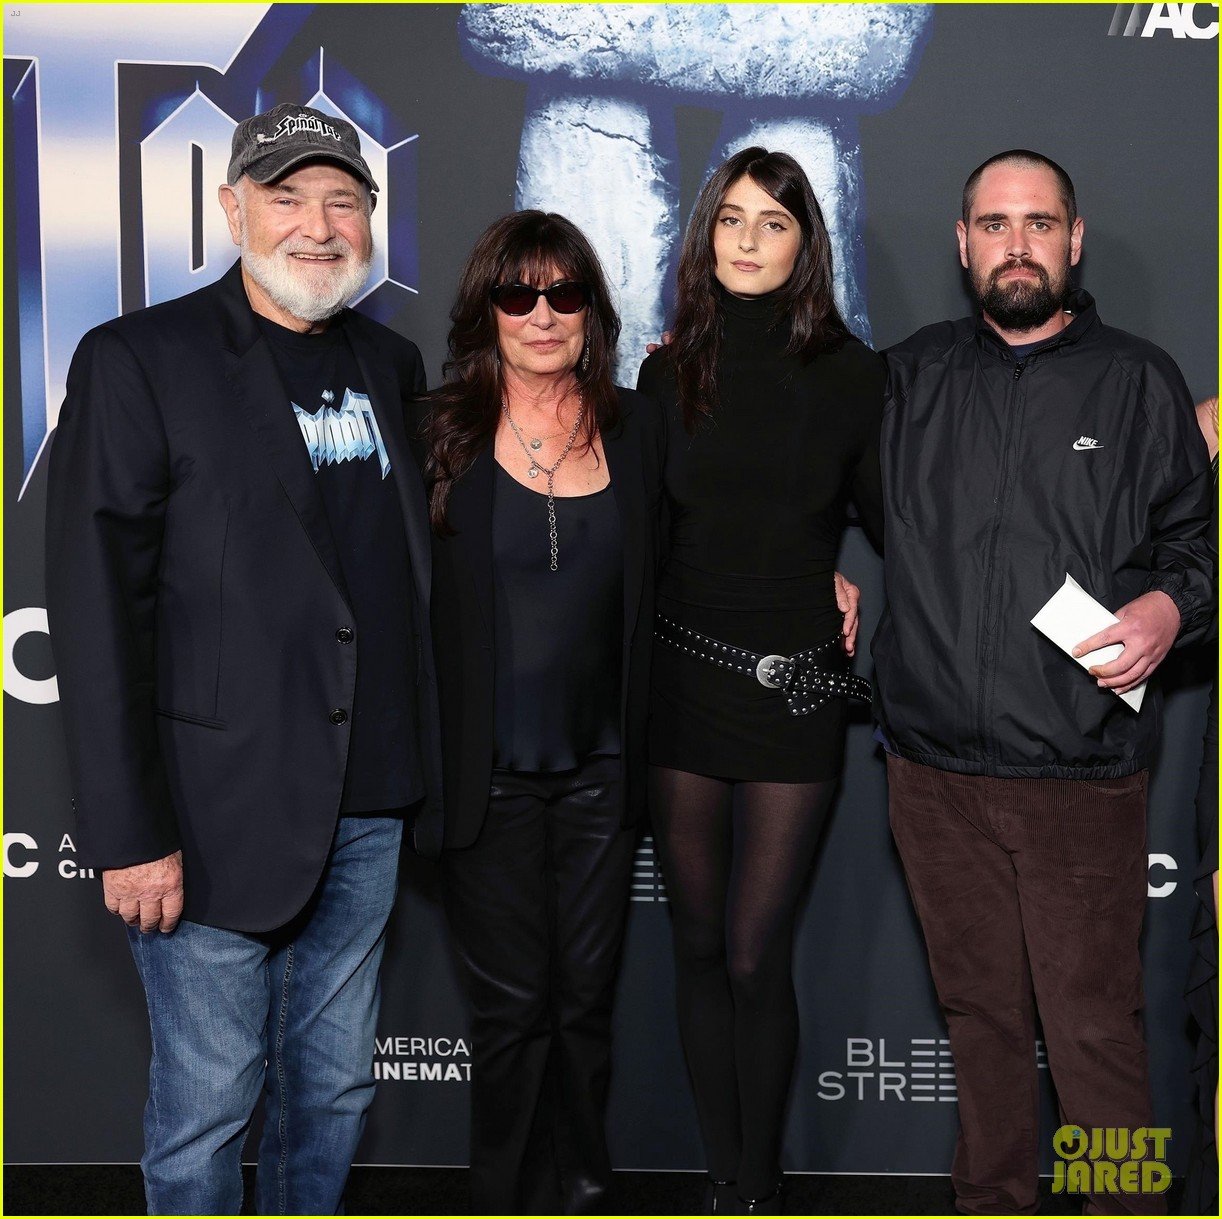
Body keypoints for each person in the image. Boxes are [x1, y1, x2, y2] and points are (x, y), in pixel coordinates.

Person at [44, 103, 442, 1215]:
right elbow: (94, 608)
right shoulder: (140, 359)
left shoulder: (391, 363)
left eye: (343, 200)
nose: (318, 226)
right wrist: (130, 832)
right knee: (208, 1104)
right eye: (286, 197)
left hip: (369, 802)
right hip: (213, 812)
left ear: (370, 219)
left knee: (337, 1090)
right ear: (232, 209)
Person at [873, 150, 1214, 1215]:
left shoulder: (1138, 377)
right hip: (931, 778)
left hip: (1076, 778)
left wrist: (1169, 606)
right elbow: (788, 469)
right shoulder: (910, 375)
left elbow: (1194, 549)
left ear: (1072, 239)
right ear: (962, 243)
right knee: (978, 1026)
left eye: (1036, 223)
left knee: (1094, 1033)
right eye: (991, 224)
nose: (1014, 244)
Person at [636, 147, 885, 1214]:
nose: (745, 240)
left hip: (794, 690)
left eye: (771, 223)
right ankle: (722, 1177)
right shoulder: (663, 369)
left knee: (751, 951)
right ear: (705, 236)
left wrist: (846, 577)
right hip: (681, 676)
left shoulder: (853, 373)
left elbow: (891, 519)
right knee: (694, 944)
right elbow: (637, 532)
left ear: (803, 244)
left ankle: (763, 1187)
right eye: (729, 219)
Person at [420, 210, 665, 1215]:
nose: (540, 313)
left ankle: (583, 1188)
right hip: (485, 777)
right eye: (516, 294)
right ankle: (502, 1194)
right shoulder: (433, 429)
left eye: (563, 292)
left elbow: (729, 532)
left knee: (584, 1003)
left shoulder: (638, 427)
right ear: (485, 309)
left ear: (591, 311)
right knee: (513, 1009)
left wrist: (825, 575)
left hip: (605, 771)